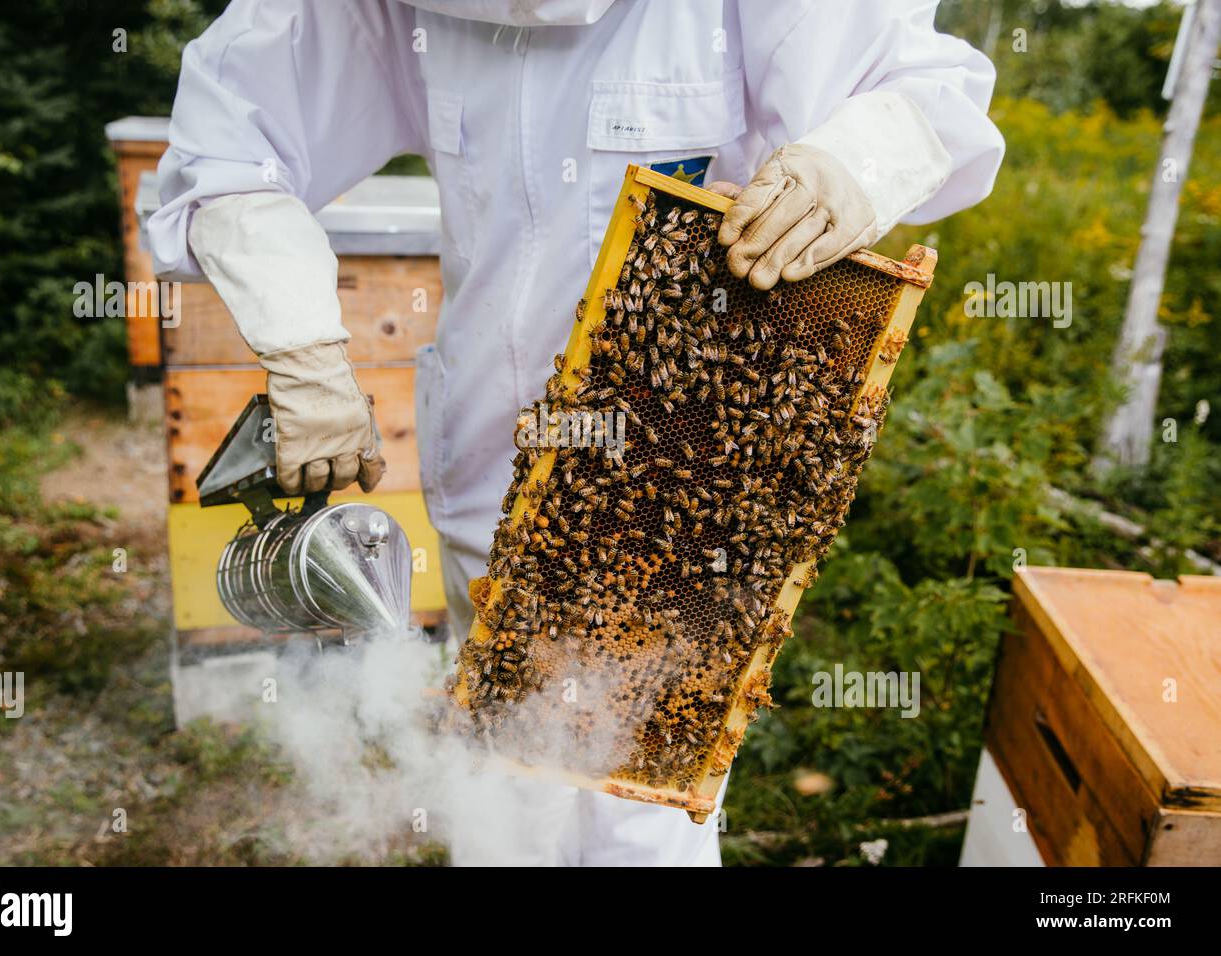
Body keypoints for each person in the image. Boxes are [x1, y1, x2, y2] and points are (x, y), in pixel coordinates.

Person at [150, 0, 1004, 866]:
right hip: (495, 480)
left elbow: (932, 91)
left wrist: (849, 165)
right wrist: (300, 342)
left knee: (648, 808)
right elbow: (226, 140)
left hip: (689, 497)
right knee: (499, 797)